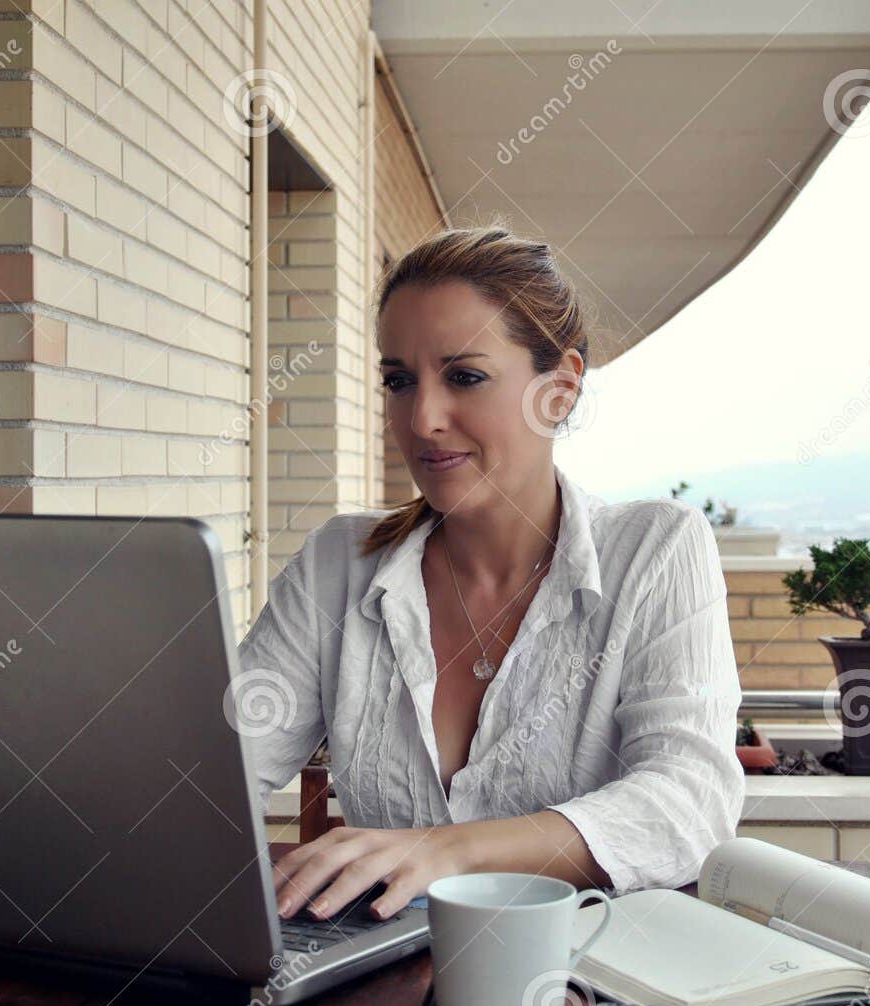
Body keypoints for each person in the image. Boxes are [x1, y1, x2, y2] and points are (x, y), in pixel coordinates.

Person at [232, 224, 743, 923]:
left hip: (593, 994)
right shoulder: (338, 565)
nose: (423, 418)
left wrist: (448, 851)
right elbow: (212, 775)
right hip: (380, 998)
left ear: (559, 392)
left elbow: (689, 802)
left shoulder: (655, 551)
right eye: (399, 381)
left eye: (464, 376)